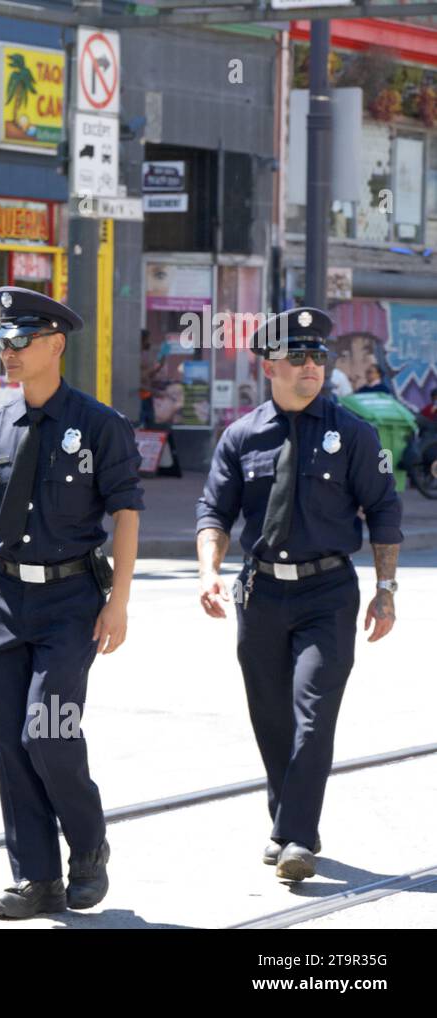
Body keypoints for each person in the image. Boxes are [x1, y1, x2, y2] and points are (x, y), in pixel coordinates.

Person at [196, 307, 402, 882]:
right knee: (270, 717)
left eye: (319, 357)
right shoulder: (240, 436)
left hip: (328, 592)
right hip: (259, 594)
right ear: (269, 366)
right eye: (298, 358)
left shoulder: (353, 434)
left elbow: (384, 509)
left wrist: (385, 590)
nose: (312, 367)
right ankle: (285, 823)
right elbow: (214, 510)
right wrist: (208, 571)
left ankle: (296, 838)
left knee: (313, 715)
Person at [0, 286, 143, 919]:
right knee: (9, 741)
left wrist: (118, 601)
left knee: (49, 729)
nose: (6, 351)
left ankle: (88, 847)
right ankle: (36, 878)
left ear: (54, 345)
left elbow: (126, 513)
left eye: (19, 340)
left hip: (71, 600)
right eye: (2, 340)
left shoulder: (99, 425)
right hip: (3, 600)